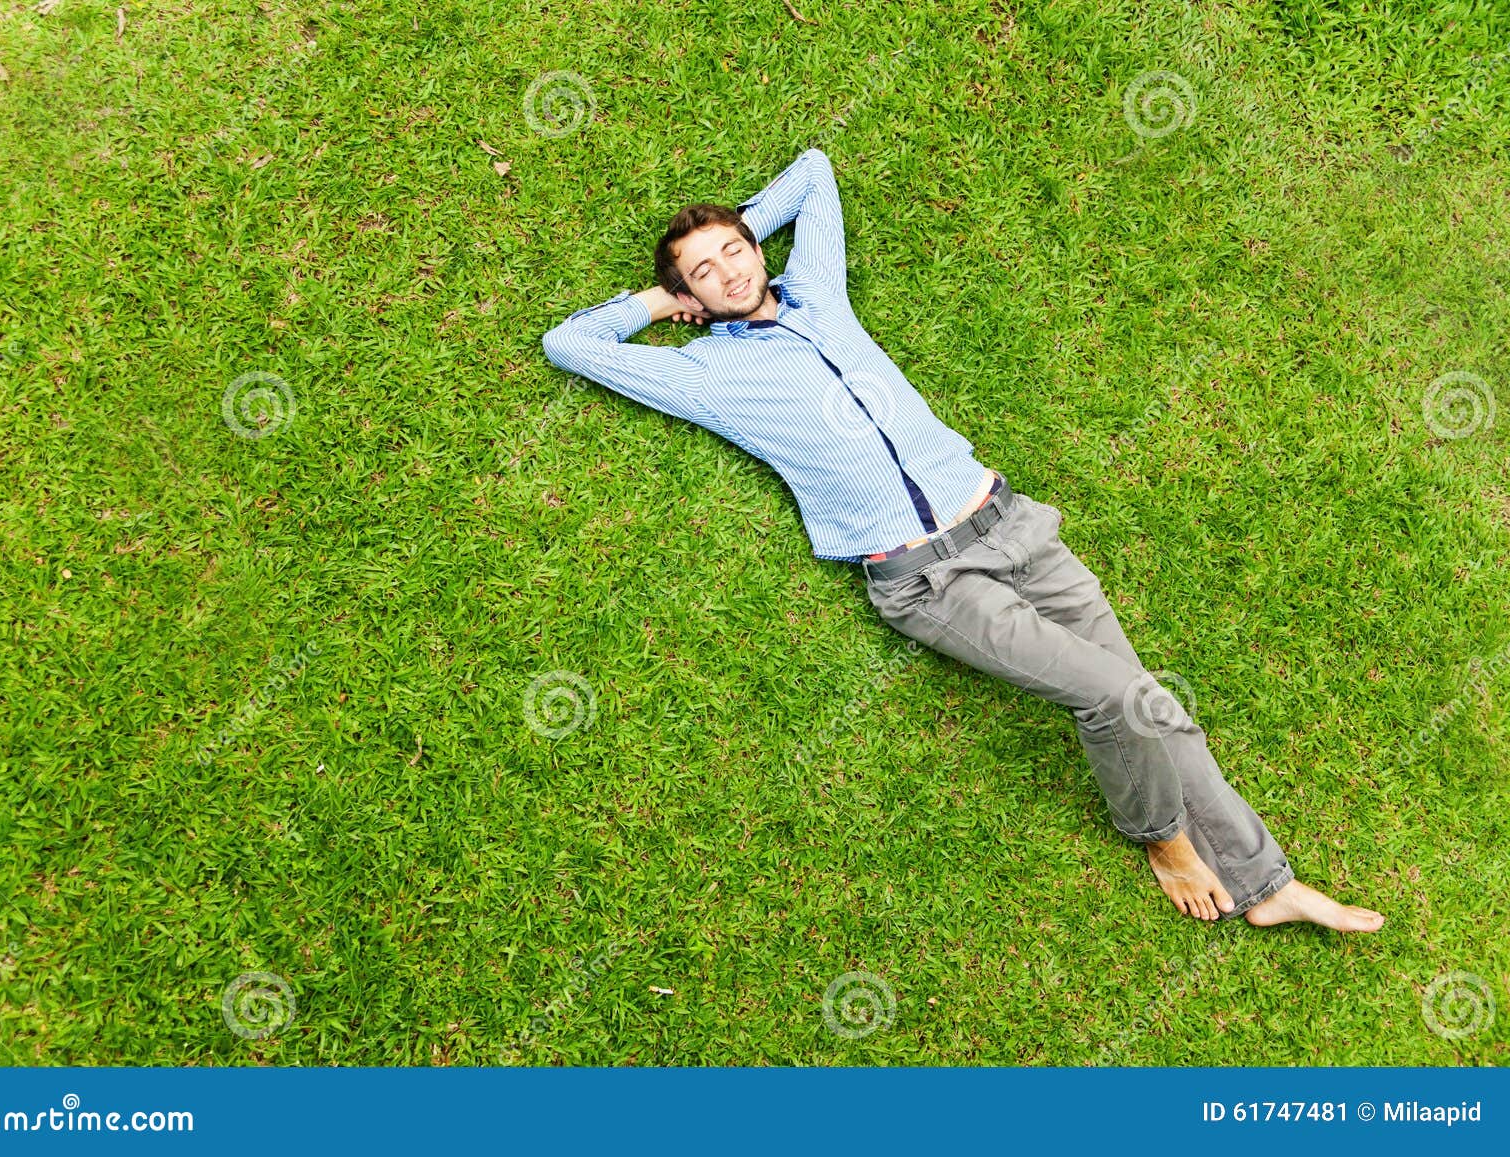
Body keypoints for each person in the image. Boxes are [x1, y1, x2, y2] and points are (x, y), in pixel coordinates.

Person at [542, 147, 1383, 931]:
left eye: (734, 250)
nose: (728, 271)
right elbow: (569, 344)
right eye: (703, 271)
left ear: (758, 249)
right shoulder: (705, 373)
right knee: (1116, 696)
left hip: (1012, 526)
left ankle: (1268, 885)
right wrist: (660, 301)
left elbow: (815, 171)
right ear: (689, 295)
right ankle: (1165, 842)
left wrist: (740, 234)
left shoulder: (819, 293)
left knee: (1154, 704)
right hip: (931, 580)